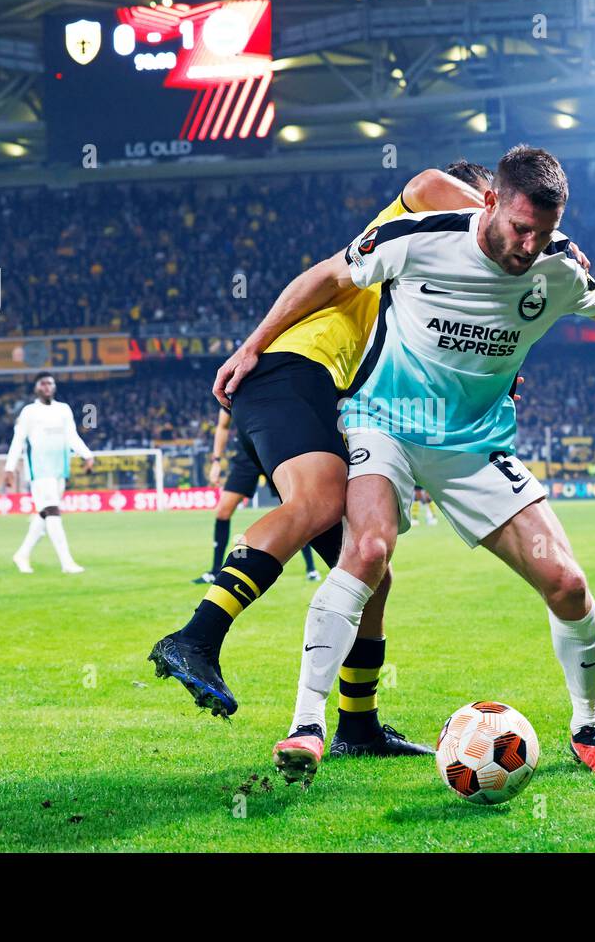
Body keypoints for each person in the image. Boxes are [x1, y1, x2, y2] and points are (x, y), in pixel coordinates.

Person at [268, 145, 595, 785]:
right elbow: (325, 278)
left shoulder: (557, 267)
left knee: (567, 584)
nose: (529, 246)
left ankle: (588, 725)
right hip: (386, 424)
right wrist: (251, 348)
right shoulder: (419, 237)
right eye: (520, 228)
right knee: (369, 551)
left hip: (478, 445)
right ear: (488, 201)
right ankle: (306, 725)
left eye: (544, 232)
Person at [148, 163, 509, 759]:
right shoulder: (423, 208)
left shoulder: (427, 281)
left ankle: (359, 728)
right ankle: (196, 637)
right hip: (293, 368)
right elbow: (326, 269)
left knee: (370, 566)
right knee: (314, 500)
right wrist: (253, 345)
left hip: (323, 391)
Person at [194, 408, 319, 584]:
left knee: (295, 508)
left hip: (275, 451)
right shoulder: (232, 388)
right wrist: (216, 461)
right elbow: (223, 426)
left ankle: (311, 569)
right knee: (222, 512)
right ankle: (215, 571)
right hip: (246, 456)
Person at [4, 372, 94, 574]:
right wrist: (9, 468)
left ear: (54, 387)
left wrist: (87, 455)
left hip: (60, 469)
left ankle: (22, 554)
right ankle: (67, 563)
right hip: (40, 470)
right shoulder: (29, 412)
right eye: (43, 384)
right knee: (53, 511)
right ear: (36, 388)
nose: (47, 387)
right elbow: (18, 440)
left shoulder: (63, 409)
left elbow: (72, 436)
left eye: (50, 383)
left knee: (44, 514)